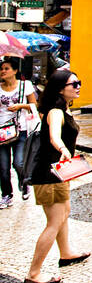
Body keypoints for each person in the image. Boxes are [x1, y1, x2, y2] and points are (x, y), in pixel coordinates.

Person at [24, 69, 90, 283]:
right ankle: (34, 272)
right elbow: (54, 135)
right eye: (74, 84)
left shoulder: (63, 109)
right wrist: (63, 148)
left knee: (64, 213)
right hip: (49, 173)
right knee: (54, 221)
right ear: (61, 88)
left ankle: (66, 252)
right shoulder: (56, 111)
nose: (78, 87)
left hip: (59, 171)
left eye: (79, 83)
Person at [0, 56, 38, 207]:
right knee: (2, 167)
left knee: (18, 162)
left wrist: (21, 106)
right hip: (2, 132)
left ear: (15, 71)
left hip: (20, 129)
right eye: (1, 69)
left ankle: (24, 183)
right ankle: (7, 195)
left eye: (6, 69)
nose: (3, 71)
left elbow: (34, 105)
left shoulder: (25, 85)